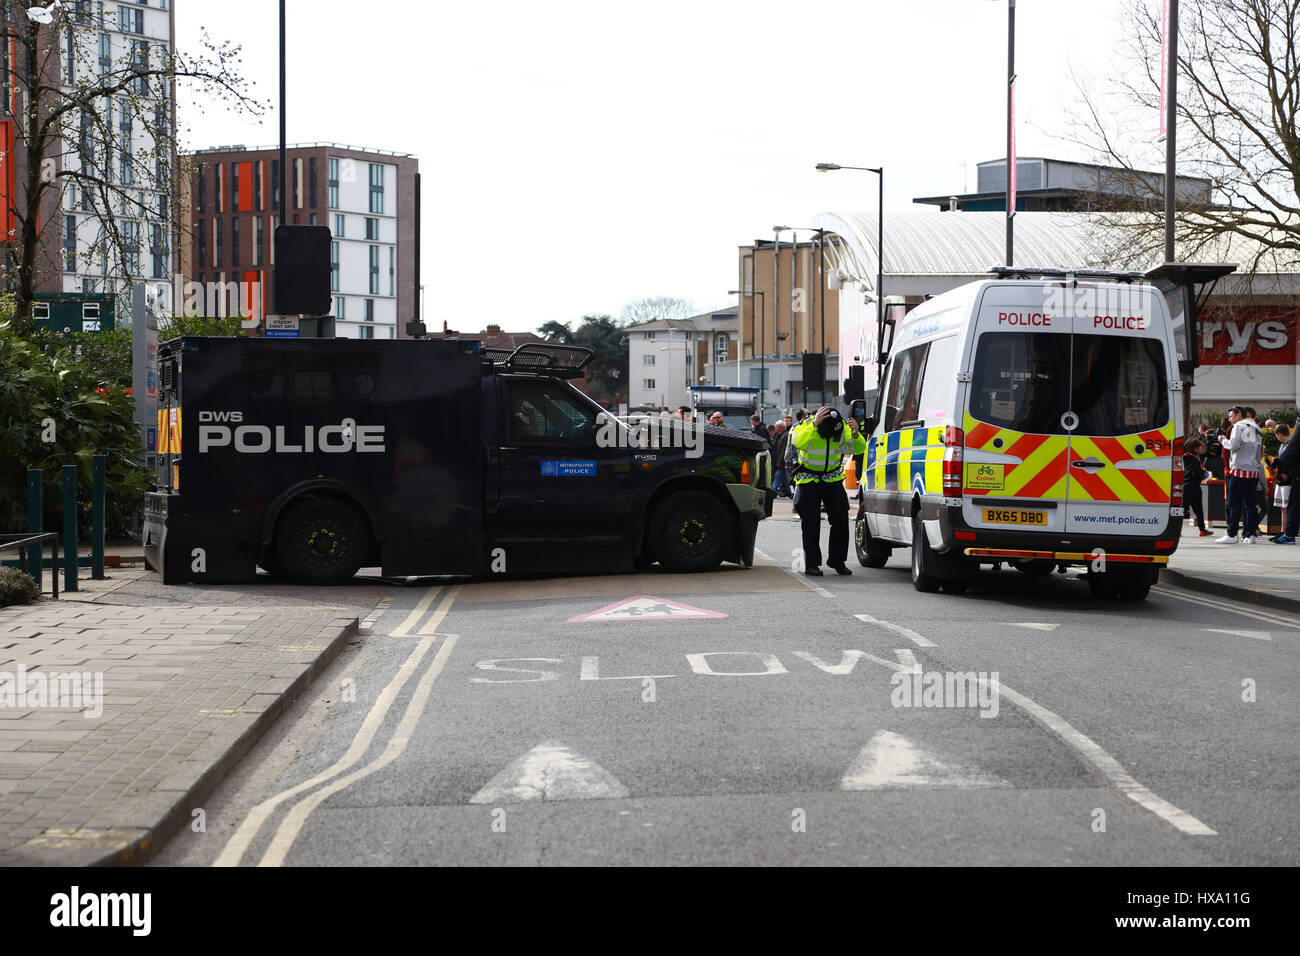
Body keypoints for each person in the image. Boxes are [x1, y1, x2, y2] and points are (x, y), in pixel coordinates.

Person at [790, 405, 866, 576]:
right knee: (811, 522)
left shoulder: (840, 425)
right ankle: (811, 564)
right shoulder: (805, 424)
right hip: (809, 478)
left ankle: (837, 560)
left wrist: (855, 435)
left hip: (831, 477)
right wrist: (814, 424)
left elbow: (857, 449)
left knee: (840, 519)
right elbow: (799, 442)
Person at [1218, 405, 1263, 544]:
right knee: (1250, 505)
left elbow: (1234, 445)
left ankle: (1232, 534)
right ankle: (1250, 535)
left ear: (1238, 415)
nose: (1230, 419)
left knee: (1234, 503)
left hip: (1239, 470)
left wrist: (1221, 440)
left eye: (1231, 416)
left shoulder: (1238, 426)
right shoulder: (1256, 428)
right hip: (1253, 471)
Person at [1182, 436, 1212, 536]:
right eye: (1199, 447)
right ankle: (1202, 530)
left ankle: (1176, 530)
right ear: (1194, 448)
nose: (1201, 449)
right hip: (1192, 486)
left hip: (1187, 486)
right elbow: (1195, 473)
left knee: (1183, 509)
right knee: (1197, 509)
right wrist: (1204, 474)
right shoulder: (1192, 459)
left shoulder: (1186, 457)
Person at [1269, 423, 1292, 540]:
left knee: (1286, 507)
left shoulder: (1290, 445)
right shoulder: (1283, 445)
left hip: (1287, 481)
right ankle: (1283, 530)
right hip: (1281, 480)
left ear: (1279, 434)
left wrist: (1287, 472)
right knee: (1283, 507)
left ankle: (1286, 531)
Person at [770, 421, 791, 498]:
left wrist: (780, 461)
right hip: (782, 461)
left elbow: (784, 450)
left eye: (776, 427)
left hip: (782, 461)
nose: (775, 428)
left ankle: (772, 491)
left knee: (778, 477)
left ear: (780, 427)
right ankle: (787, 492)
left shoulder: (785, 435)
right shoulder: (781, 435)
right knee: (784, 478)